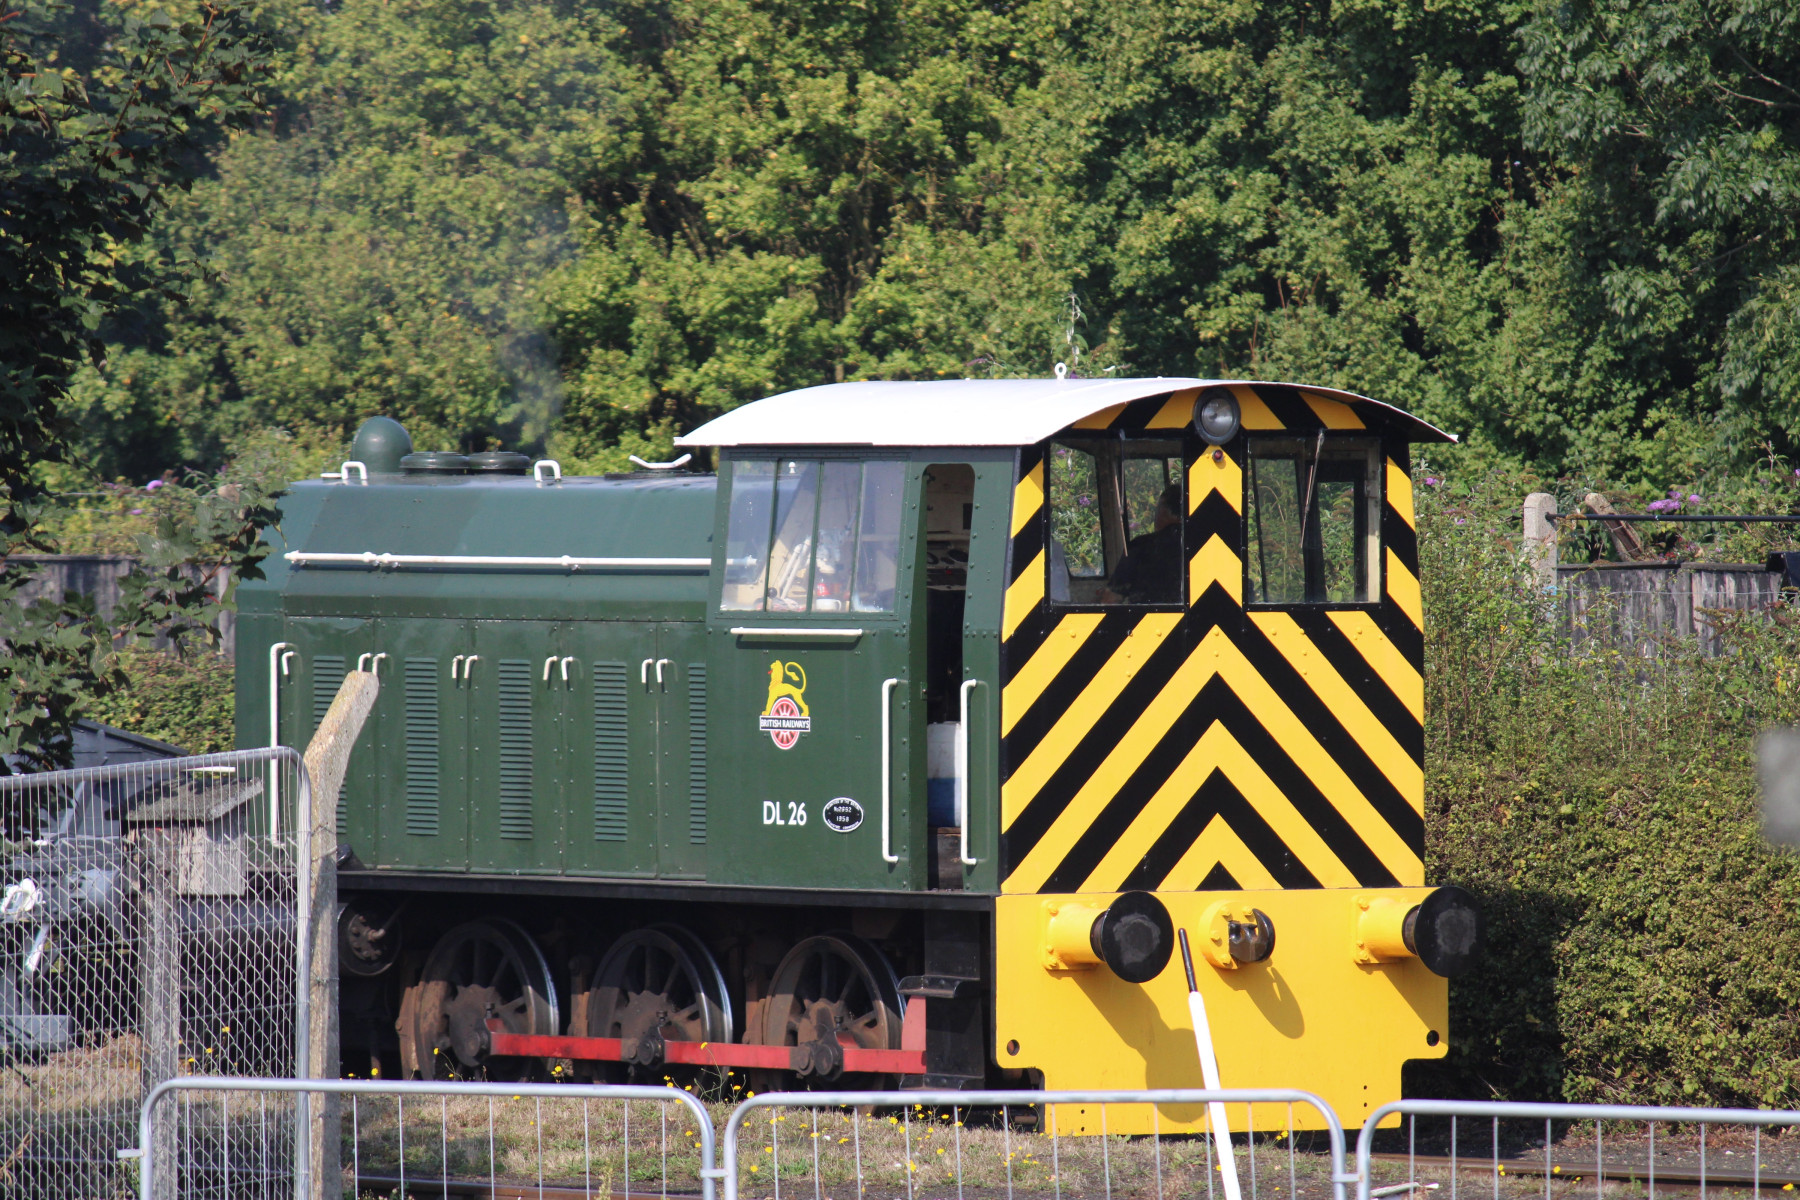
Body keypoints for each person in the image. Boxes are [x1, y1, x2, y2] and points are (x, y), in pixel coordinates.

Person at [1104, 482, 1182, 603]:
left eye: (1157, 509)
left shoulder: (1140, 546)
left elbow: (1111, 599)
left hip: (1144, 614)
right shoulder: (1203, 550)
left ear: (1163, 511)